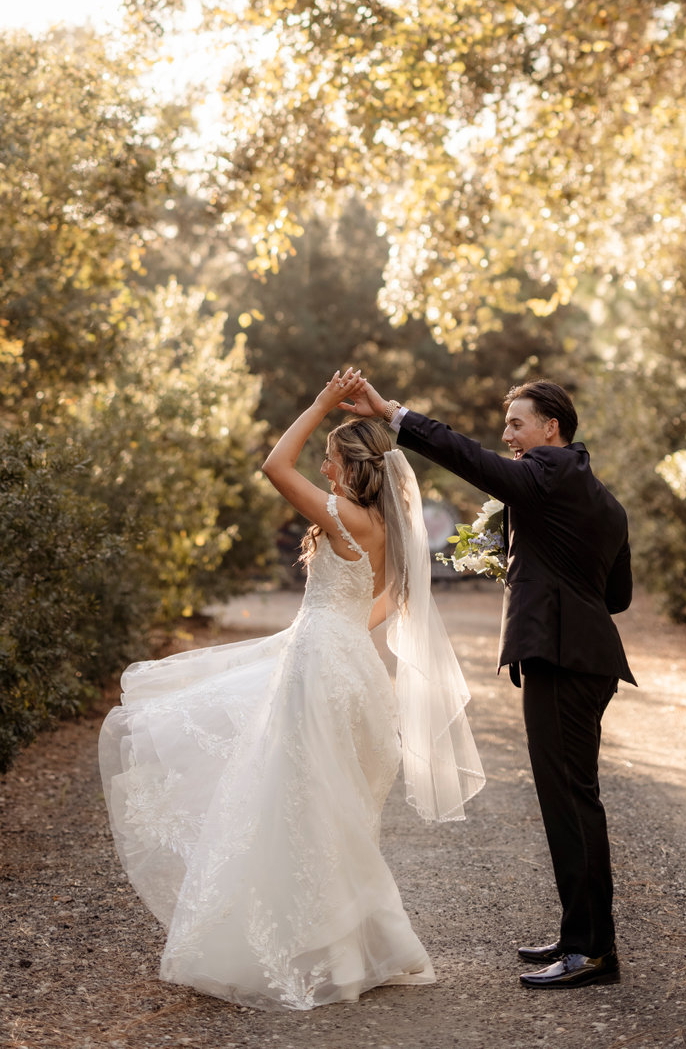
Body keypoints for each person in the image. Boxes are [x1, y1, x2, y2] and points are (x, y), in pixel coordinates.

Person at [98, 370, 484, 1012]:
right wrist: (339, 630)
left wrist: (319, 405)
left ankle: (329, 954)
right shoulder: (386, 527)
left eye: (330, 457)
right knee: (332, 805)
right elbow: (394, 595)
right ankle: (352, 951)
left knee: (303, 799)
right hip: (352, 668)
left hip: (319, 667)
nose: (323, 465)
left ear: (348, 469)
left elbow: (275, 466)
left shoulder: (340, 515)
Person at [340, 372, 634, 990]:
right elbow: (618, 595)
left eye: (517, 424)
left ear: (551, 428)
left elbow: (466, 456)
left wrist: (394, 415)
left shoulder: (546, 476)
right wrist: (533, 570)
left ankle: (593, 952)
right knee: (574, 796)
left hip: (560, 658)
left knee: (570, 801)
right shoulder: (603, 498)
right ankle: (581, 933)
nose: (507, 436)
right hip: (589, 657)